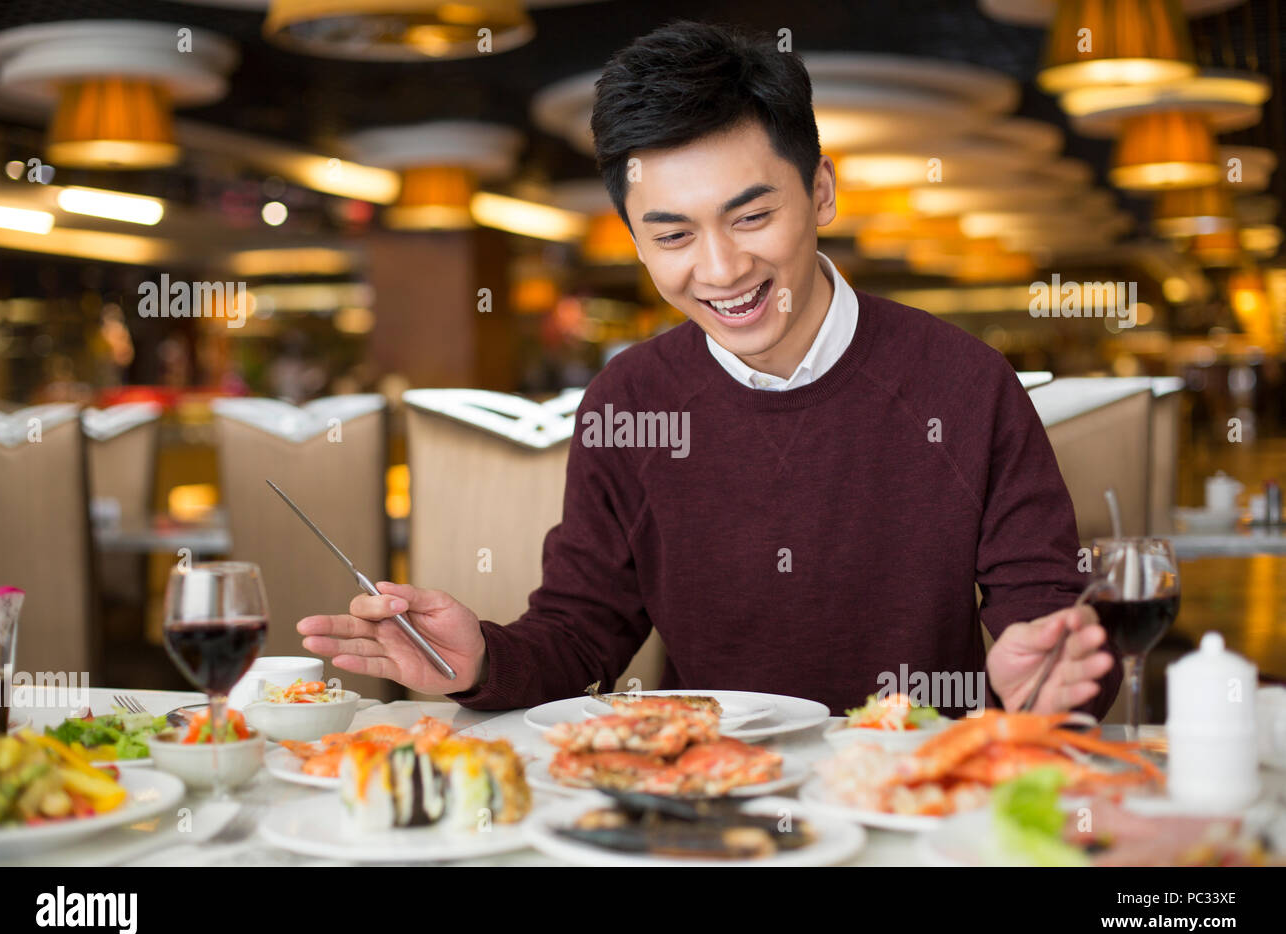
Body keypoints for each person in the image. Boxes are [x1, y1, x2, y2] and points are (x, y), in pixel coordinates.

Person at [298, 21, 1121, 718]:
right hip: (700, 797)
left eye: (752, 215)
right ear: (635, 240)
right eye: (673, 236)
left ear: (823, 191)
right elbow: (584, 634)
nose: (721, 269)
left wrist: (1048, 673)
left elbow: (1050, 618)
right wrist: (481, 662)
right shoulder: (629, 402)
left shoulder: (966, 384)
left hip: (915, 796)